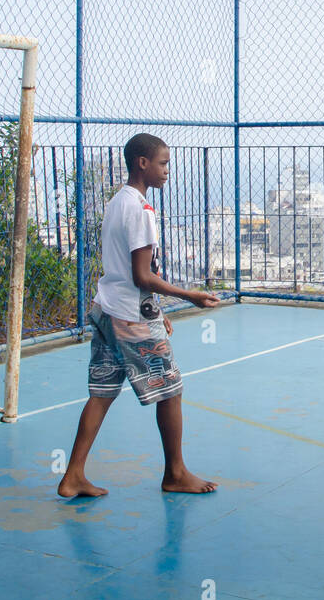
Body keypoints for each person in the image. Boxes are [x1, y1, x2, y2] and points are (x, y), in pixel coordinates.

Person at [57, 132, 221, 498]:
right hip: (131, 318)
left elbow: (129, 272)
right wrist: (188, 295)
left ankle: (72, 476)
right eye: (163, 164)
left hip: (106, 309)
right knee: (171, 392)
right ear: (142, 163)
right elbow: (142, 275)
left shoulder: (117, 202)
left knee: (101, 393)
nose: (167, 172)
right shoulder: (142, 210)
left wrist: (156, 308)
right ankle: (175, 473)